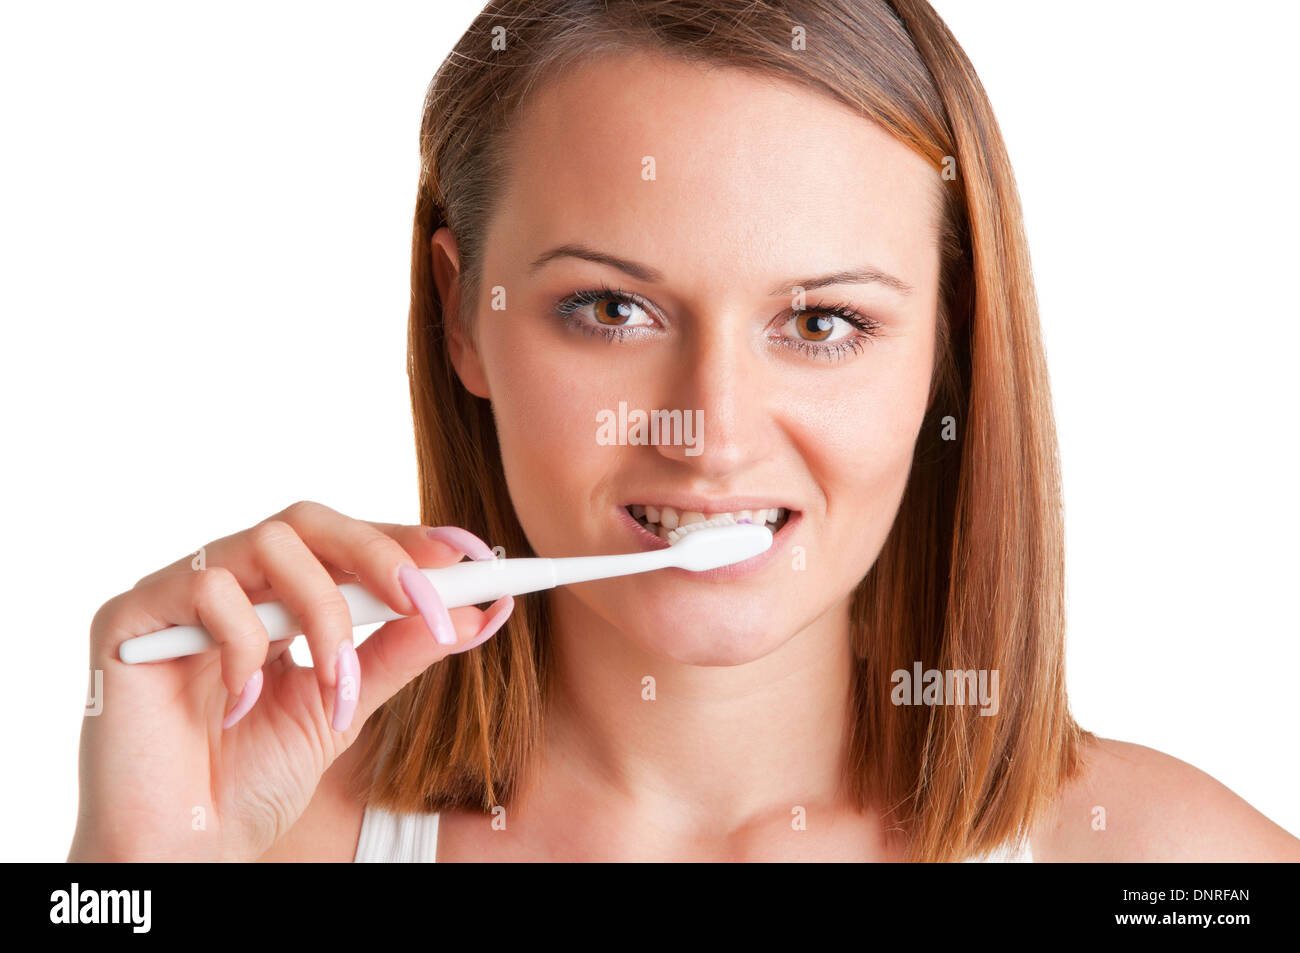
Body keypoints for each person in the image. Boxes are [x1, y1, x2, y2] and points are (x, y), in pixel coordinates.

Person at [69, 0, 1300, 862]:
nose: (707, 432)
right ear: (463, 315)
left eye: (819, 323)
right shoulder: (264, 848)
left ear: (949, 348)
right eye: (609, 308)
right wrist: (129, 877)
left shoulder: (1172, 872)